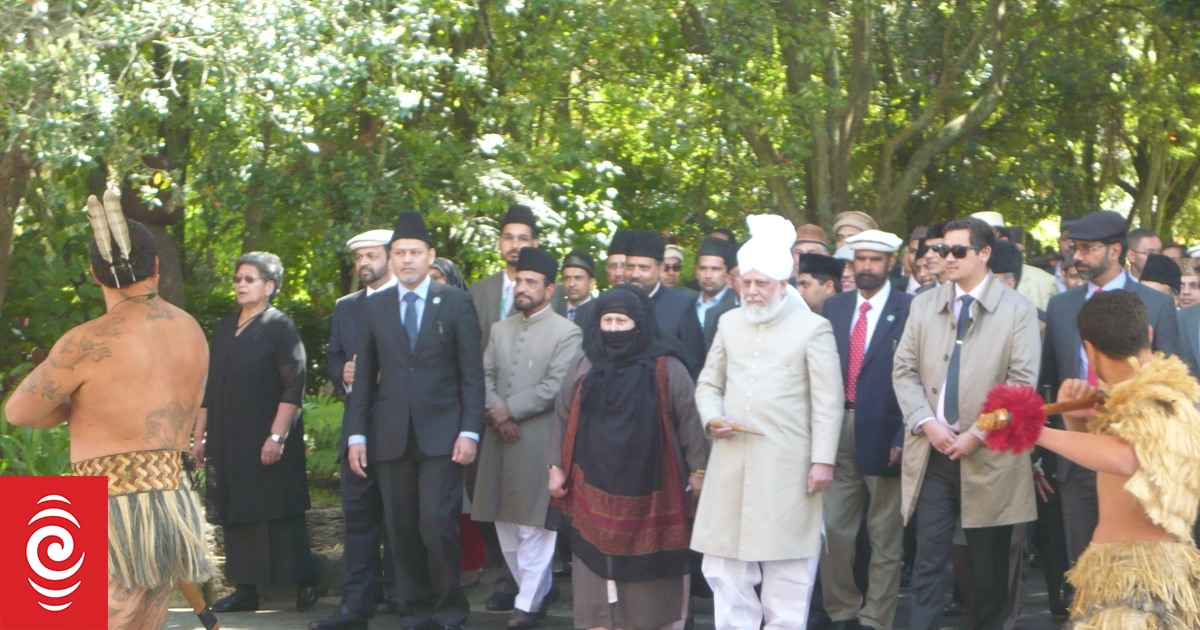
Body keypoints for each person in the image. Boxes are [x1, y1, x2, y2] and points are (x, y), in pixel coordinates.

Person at [5, 191, 213, 630]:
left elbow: (19, 412)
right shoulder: (191, 331)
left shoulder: (87, 342)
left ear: (94, 273)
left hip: (107, 508)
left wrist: (73, 406)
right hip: (171, 502)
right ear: (155, 267)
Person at [692, 214, 843, 629]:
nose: (753, 292)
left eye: (763, 284)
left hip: (788, 469)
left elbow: (828, 403)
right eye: (747, 282)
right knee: (725, 570)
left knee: (788, 575)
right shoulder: (728, 322)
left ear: (782, 284)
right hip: (731, 465)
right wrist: (712, 418)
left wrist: (822, 461)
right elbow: (707, 385)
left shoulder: (814, 328)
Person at [892, 216, 1041, 630]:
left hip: (990, 458)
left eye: (959, 251)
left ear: (985, 253)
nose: (947, 258)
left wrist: (977, 433)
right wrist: (926, 422)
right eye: (942, 250)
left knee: (986, 573)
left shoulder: (1018, 310)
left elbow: (1021, 386)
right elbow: (903, 370)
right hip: (934, 453)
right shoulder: (924, 303)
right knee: (927, 560)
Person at [1019, 291, 1200, 627]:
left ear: (1089, 349)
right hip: (1125, 574)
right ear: (1147, 333)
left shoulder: (1154, 397)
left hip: (1138, 580)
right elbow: (1114, 464)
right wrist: (1077, 420)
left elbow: (1126, 458)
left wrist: (1035, 432)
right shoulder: (1146, 395)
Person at [344, 211, 485, 629]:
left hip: (443, 436)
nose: (407, 260)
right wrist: (356, 435)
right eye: (400, 253)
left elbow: (471, 376)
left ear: (430, 256)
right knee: (401, 529)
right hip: (389, 436)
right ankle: (414, 611)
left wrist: (470, 431)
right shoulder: (377, 306)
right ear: (391, 257)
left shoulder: (457, 304)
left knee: (438, 526)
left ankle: (449, 610)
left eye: (415, 253)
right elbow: (364, 378)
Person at [548, 285, 707, 630]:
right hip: (592, 489)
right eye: (608, 320)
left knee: (653, 587)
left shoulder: (667, 366)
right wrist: (555, 467)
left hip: (653, 494)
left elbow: (690, 422)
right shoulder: (585, 362)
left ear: (640, 324)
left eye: (623, 321)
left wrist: (698, 471)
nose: (615, 329)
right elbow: (562, 413)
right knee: (594, 575)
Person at [1040, 210, 1179, 580]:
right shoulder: (1061, 306)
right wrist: (1064, 427)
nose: (1078, 256)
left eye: (1087, 248)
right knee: (1084, 573)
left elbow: (1178, 383)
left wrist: (1031, 431)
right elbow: (1049, 382)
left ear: (1116, 250)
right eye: (1074, 248)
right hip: (1078, 460)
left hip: (1145, 472)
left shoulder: (1158, 303)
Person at [196, 250, 324, 613]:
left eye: (249, 279)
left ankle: (307, 575)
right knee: (235, 511)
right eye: (238, 278)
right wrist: (200, 434)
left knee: (277, 514)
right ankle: (245, 589)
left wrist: (277, 436)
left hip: (267, 436)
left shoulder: (280, 326)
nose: (240, 284)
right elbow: (210, 386)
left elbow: (293, 385)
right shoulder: (224, 326)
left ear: (270, 286)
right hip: (227, 437)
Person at [471, 247, 581, 629]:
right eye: (519, 280)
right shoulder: (500, 329)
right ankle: (538, 589)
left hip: (538, 442)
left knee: (534, 527)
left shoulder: (568, 332)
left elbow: (555, 386)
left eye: (531, 282)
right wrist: (497, 413)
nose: (522, 287)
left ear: (550, 290)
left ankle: (528, 605)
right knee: (505, 524)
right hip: (499, 440)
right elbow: (481, 376)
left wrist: (508, 409)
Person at [819, 229, 910, 630]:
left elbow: (921, 376)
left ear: (891, 263)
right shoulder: (834, 307)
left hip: (886, 431)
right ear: (851, 264)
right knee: (834, 530)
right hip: (836, 427)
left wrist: (905, 434)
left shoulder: (911, 308)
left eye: (876, 259)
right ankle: (841, 610)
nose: (868, 266)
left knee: (884, 534)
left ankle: (876, 616)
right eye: (861, 259)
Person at [312, 230, 398, 630]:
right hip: (357, 428)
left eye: (371, 255)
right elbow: (334, 358)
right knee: (358, 518)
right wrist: (344, 375)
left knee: (405, 520)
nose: (364, 263)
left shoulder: (411, 301)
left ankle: (408, 600)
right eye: (359, 257)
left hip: (403, 428)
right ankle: (354, 607)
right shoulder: (346, 307)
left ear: (392, 257)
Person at [623, 229, 706, 377]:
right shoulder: (610, 303)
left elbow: (694, 363)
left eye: (644, 268)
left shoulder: (682, 306)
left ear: (660, 268)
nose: (635, 274)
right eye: (630, 267)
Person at [472, 204, 540, 343]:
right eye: (508, 237)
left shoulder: (549, 291)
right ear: (499, 242)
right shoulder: (480, 289)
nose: (515, 245)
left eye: (523, 239)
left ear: (534, 244)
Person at [694, 236, 738, 351]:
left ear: (727, 274)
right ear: (696, 271)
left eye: (715, 269)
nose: (708, 275)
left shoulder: (737, 304)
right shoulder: (686, 302)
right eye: (703, 268)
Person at [552, 250, 596, 324]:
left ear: (591, 283)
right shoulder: (553, 312)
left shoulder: (599, 312)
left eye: (578, 278)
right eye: (567, 278)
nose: (571, 284)